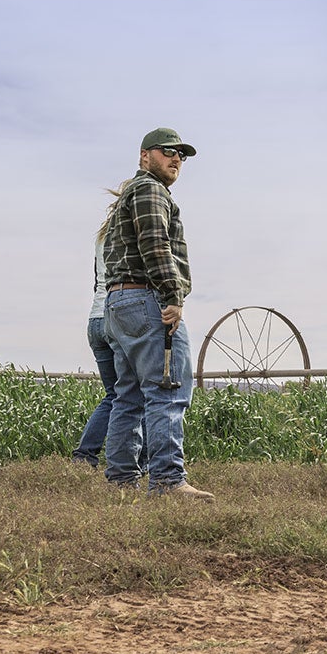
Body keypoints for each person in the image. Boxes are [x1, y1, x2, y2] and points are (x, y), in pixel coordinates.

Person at [100, 127, 211, 500]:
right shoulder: (150, 189)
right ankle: (166, 481)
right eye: (168, 152)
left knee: (128, 396)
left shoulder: (129, 194)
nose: (176, 158)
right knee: (169, 390)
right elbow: (155, 243)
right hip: (147, 300)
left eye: (181, 154)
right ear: (145, 156)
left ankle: (120, 479)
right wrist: (173, 295)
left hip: (118, 304)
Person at [70, 235, 121, 467]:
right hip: (117, 317)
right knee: (136, 392)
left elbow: (97, 281)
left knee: (113, 394)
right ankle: (137, 461)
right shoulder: (129, 228)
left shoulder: (101, 237)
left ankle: (84, 455)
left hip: (95, 319)